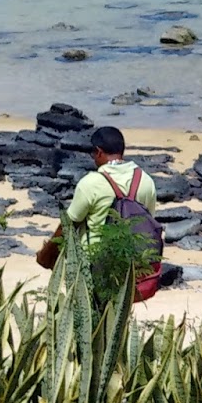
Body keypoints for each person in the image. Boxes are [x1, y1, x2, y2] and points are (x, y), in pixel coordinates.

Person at [35, 126, 163, 299]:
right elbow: (148, 224)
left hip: (94, 269)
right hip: (130, 269)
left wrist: (46, 256)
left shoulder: (91, 183)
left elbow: (68, 226)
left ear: (99, 152)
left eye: (93, 154)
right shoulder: (146, 181)